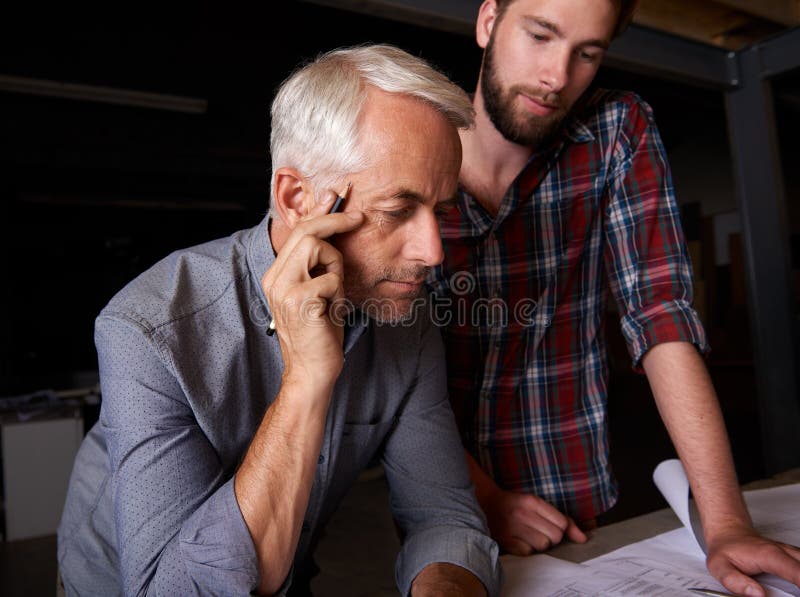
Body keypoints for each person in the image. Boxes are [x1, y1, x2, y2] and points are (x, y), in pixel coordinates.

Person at [57, 44, 501, 596]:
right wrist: (306, 381)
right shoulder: (147, 329)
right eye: (397, 211)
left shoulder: (405, 323)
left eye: (440, 212)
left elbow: (442, 515)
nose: (434, 252)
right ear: (297, 198)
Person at [427, 1, 800, 595]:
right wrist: (480, 496)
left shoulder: (615, 130)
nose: (557, 76)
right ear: (488, 22)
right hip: (437, 492)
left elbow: (660, 313)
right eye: (541, 35)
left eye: (588, 54)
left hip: (570, 484)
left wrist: (727, 523)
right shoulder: (412, 144)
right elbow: (389, 363)